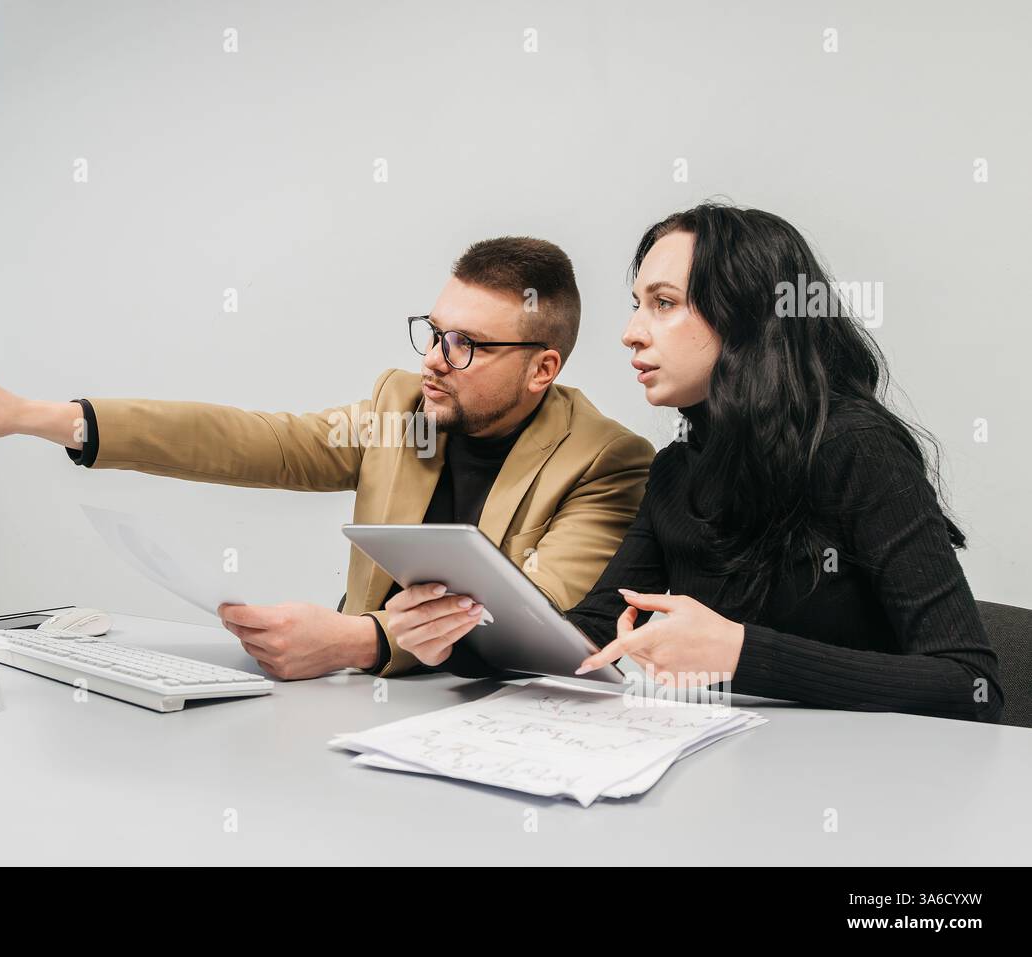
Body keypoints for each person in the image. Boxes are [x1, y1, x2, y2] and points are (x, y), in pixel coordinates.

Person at [0, 237, 655, 681]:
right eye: (433, 329)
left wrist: (359, 638)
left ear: (542, 368)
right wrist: (32, 415)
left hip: (497, 736)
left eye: (466, 345)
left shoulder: (605, 461)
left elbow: (535, 622)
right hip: (361, 712)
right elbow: (260, 442)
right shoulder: (404, 410)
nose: (434, 359)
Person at [399, 204, 1002, 722]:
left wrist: (741, 653)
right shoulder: (675, 471)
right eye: (638, 304)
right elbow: (590, 636)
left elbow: (970, 685)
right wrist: (456, 634)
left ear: (747, 319)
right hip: (729, 777)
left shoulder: (858, 450)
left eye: (664, 303)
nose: (631, 333)